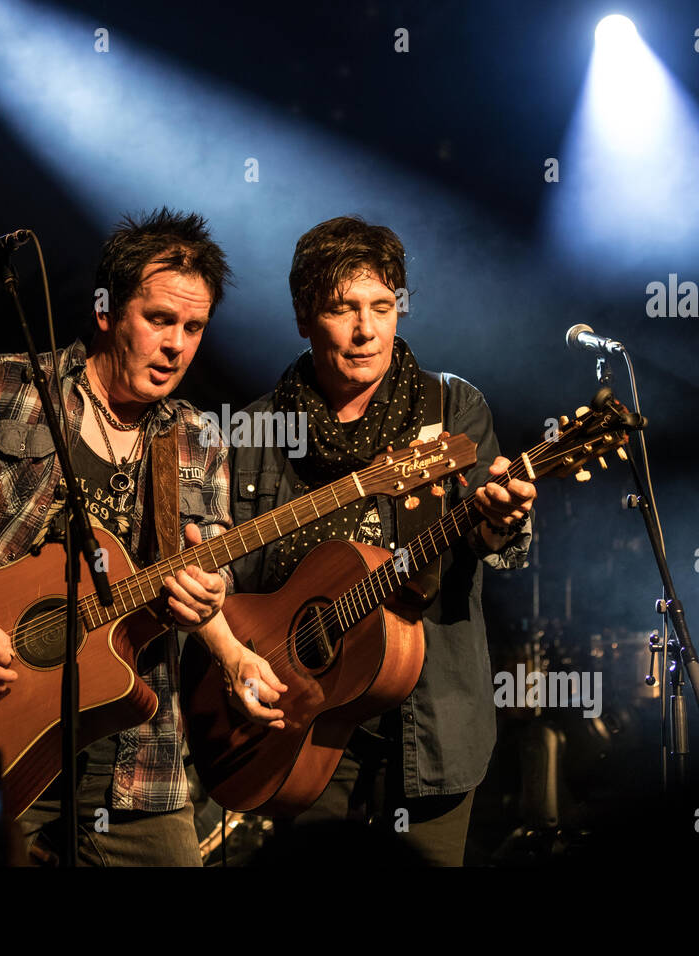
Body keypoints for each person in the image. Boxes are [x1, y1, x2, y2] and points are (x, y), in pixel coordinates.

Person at [0, 208, 278, 866]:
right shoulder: (3, 390)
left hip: (134, 763)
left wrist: (223, 636)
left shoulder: (196, 439)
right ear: (105, 312)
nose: (176, 346)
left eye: (193, 328)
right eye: (159, 320)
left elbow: (197, 581)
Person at [207, 216, 538, 866]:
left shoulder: (452, 411)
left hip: (432, 731)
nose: (366, 331)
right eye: (343, 309)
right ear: (304, 316)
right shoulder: (252, 431)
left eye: (382, 307)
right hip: (299, 737)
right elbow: (229, 592)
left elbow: (499, 545)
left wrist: (504, 518)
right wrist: (238, 663)